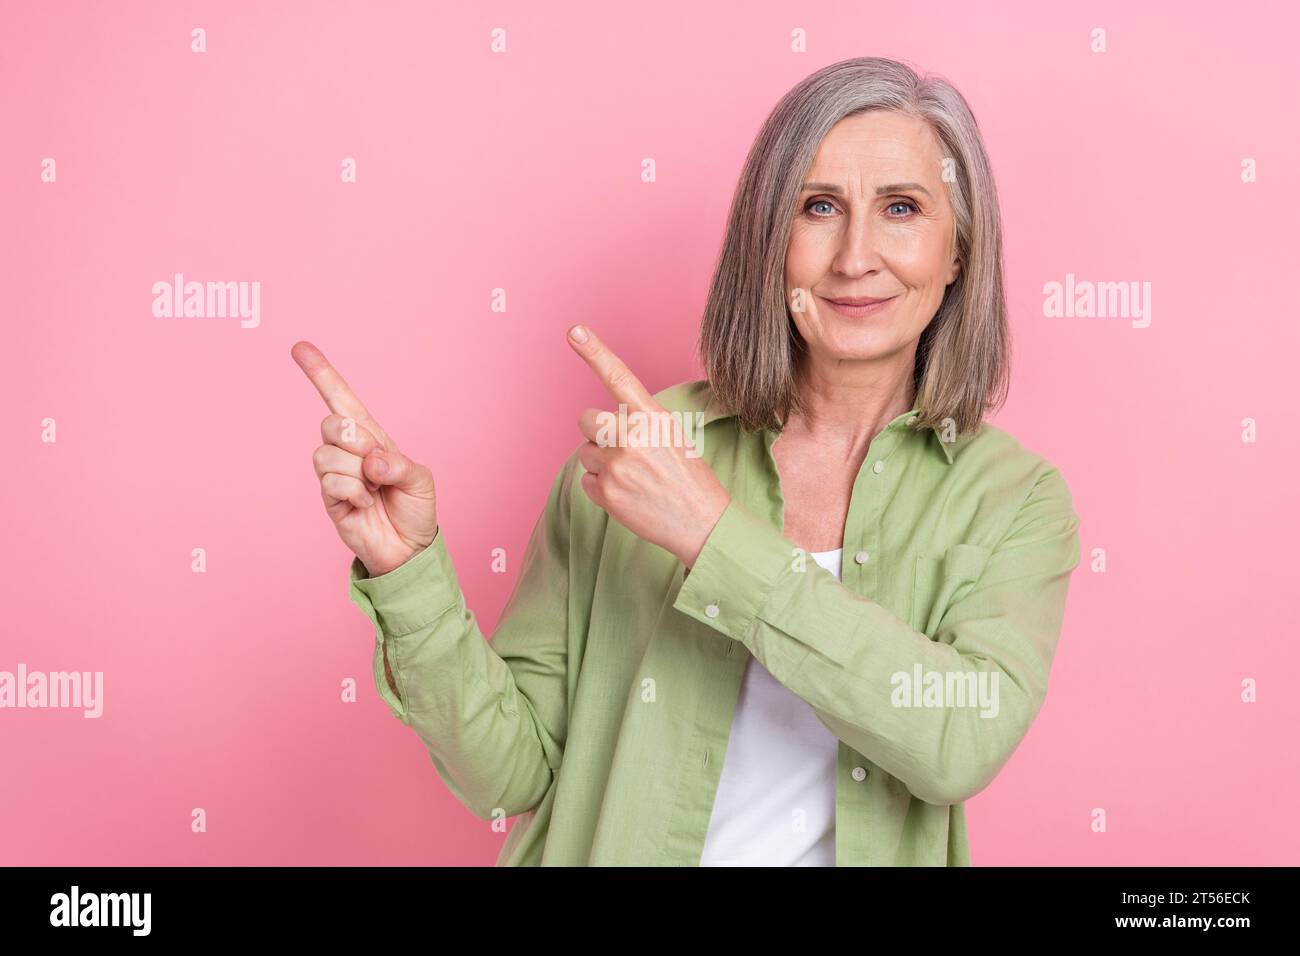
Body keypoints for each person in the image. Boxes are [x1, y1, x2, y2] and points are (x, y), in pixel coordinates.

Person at [291, 56, 1082, 866]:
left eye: (902, 209)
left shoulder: (1014, 501)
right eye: (818, 207)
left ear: (958, 253)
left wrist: (711, 535)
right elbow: (509, 777)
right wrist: (408, 572)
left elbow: (957, 742)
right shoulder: (639, 454)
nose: (854, 256)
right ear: (769, 241)